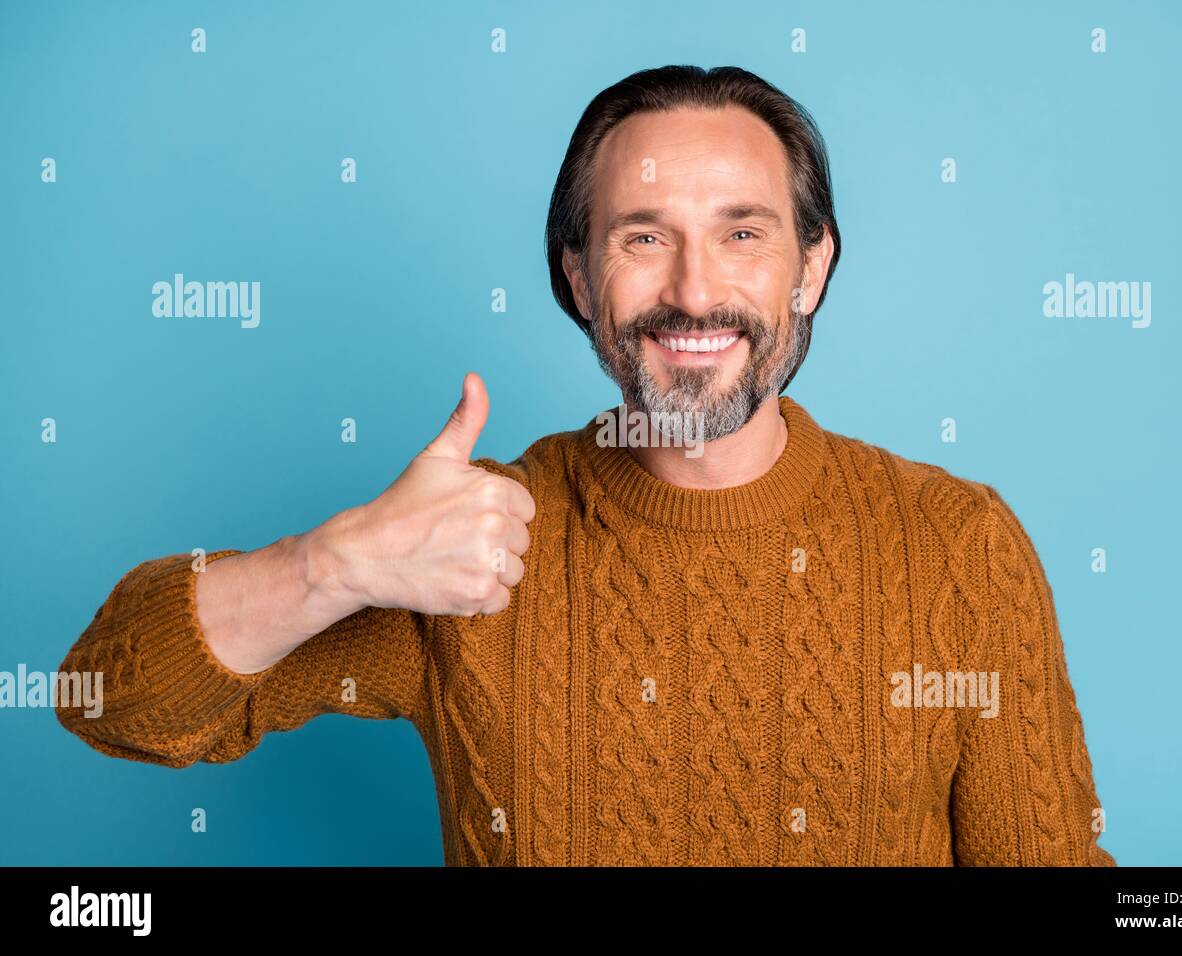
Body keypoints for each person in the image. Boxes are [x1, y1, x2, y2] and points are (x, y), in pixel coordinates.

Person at [55, 65, 1116, 867]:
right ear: (577, 274)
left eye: (742, 233)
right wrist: (334, 563)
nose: (695, 291)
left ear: (812, 267)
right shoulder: (465, 543)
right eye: (642, 237)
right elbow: (108, 696)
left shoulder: (957, 542)